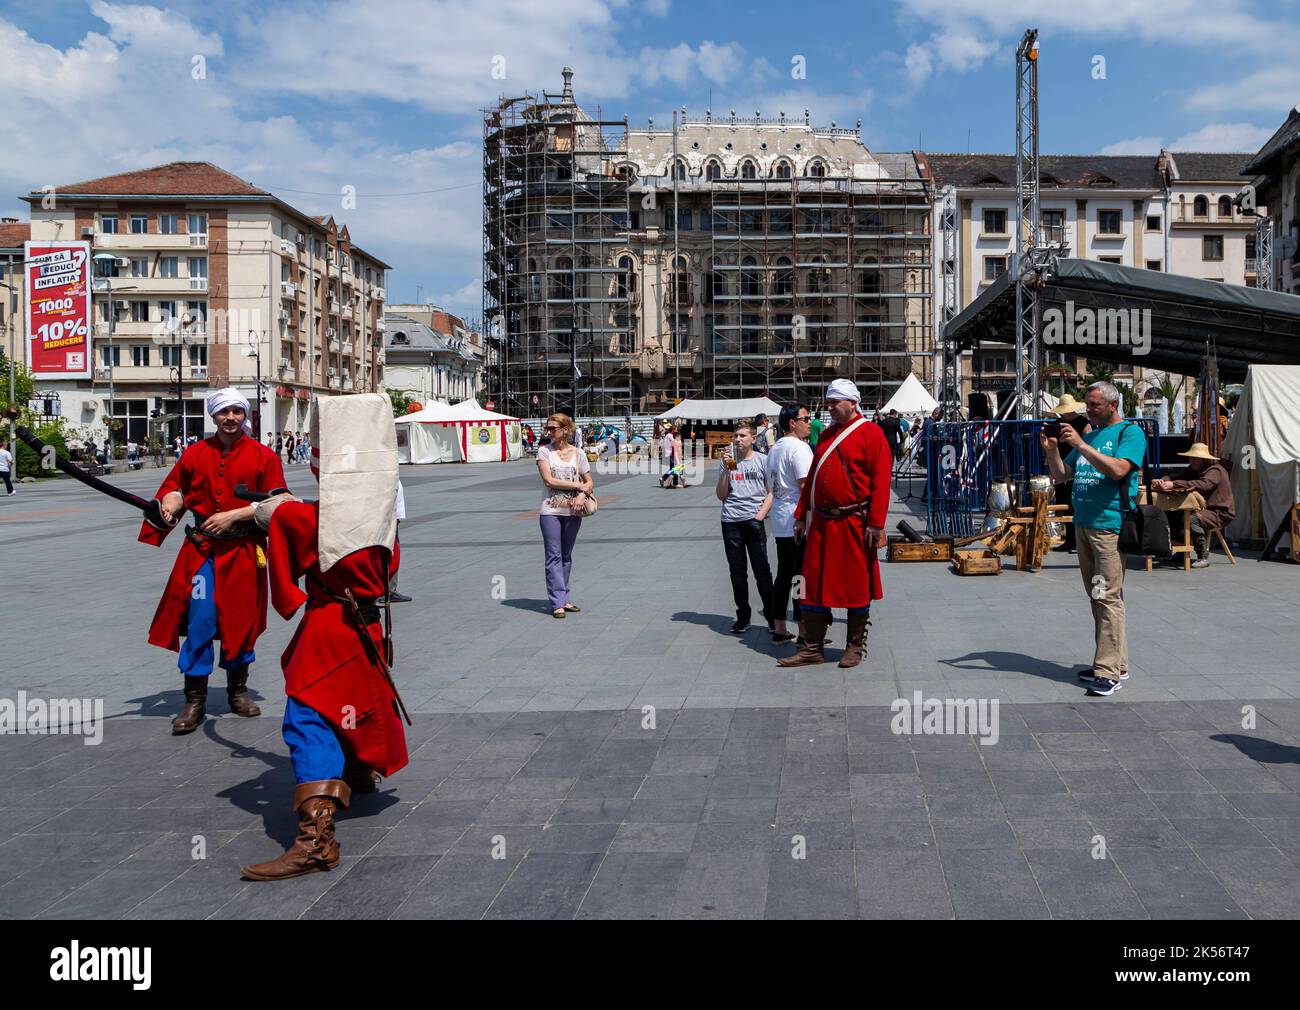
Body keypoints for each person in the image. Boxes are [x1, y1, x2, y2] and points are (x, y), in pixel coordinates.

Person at [241, 393, 408, 881]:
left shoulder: (305, 518)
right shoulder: (384, 518)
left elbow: (281, 519)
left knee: (306, 717)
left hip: (331, 630)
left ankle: (317, 840)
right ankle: (357, 773)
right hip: (366, 626)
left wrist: (245, 513)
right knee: (353, 702)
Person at [140, 388, 289, 734]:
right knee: (199, 620)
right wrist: (171, 504)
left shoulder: (264, 456)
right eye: (225, 412)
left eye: (237, 411)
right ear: (214, 416)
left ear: (245, 415)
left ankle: (238, 690)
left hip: (243, 552)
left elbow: (277, 501)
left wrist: (235, 516)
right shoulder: (194, 454)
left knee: (240, 621)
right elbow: (176, 489)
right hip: (203, 551)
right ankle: (195, 699)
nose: (231, 418)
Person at [1041, 381, 1146, 697]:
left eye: (1094, 405)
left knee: (1106, 596)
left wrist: (1083, 445)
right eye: (1087, 405)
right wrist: (1051, 450)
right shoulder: (1091, 434)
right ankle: (1118, 663)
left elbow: (1118, 470)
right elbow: (1062, 475)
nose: (1088, 410)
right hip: (1084, 524)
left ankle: (1107, 671)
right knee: (1099, 594)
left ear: (1112, 405)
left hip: (1108, 527)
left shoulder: (1129, 433)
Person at [780, 379, 892, 669]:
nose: (828, 407)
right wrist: (800, 516)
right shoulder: (827, 435)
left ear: (852, 403)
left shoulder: (872, 434)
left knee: (855, 586)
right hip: (821, 524)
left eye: (834, 402)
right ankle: (812, 648)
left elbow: (881, 484)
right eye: (828, 401)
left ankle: (854, 646)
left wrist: (876, 524)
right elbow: (813, 478)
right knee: (812, 584)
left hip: (853, 523)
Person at [716, 420, 775, 635]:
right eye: (736, 436)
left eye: (742, 436)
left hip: (753, 520)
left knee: (762, 570)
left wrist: (759, 516)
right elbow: (721, 495)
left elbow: (772, 491)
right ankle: (743, 615)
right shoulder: (728, 461)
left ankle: (771, 616)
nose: (738, 439)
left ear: (753, 438)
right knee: (737, 572)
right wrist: (724, 471)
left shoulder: (763, 461)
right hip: (730, 520)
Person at [766, 405, 814, 645]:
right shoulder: (799, 448)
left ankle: (779, 627)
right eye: (805, 418)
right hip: (797, 520)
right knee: (799, 578)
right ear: (792, 423)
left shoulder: (774, 449)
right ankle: (803, 630)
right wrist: (806, 517)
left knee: (784, 574)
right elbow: (806, 486)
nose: (809, 422)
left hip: (780, 517)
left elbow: (771, 487)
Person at [537, 413, 592, 619]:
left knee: (566, 556)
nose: (549, 432)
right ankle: (557, 602)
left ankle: (565, 598)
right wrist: (579, 486)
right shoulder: (544, 452)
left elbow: (589, 481)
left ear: (566, 430)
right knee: (554, 556)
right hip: (550, 510)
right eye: (548, 428)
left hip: (573, 510)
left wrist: (582, 495)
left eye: (553, 428)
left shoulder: (579, 454)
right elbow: (549, 481)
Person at [1151, 442, 1235, 568]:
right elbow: (1179, 476)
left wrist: (1174, 484)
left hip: (1219, 512)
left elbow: (1204, 485)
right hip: (1204, 509)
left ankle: (1202, 556)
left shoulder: (1215, 470)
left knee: (1191, 520)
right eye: (1191, 458)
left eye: (1195, 458)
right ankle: (1181, 552)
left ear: (1204, 460)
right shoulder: (1194, 469)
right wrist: (1165, 480)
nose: (1192, 461)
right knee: (1172, 514)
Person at [1047, 394, 1089, 553]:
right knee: (1065, 504)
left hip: (1078, 465)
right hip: (1061, 465)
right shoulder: (1057, 424)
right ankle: (1070, 539)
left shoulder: (1084, 423)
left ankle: (1079, 540)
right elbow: (1051, 447)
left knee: (1078, 504)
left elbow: (1087, 443)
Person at [387, 479, 412, 602]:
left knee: (393, 552)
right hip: (388, 517)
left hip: (393, 516)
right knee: (392, 552)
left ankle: (389, 589)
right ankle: (389, 591)